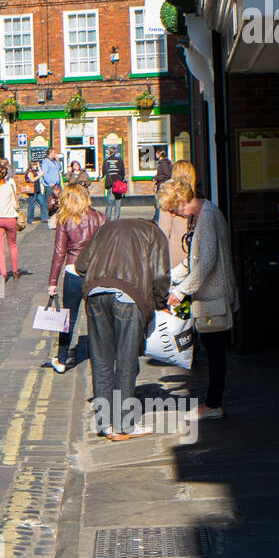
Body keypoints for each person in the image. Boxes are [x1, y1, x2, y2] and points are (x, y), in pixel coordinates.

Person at [75, 217, 170, 440]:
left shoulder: (105, 229)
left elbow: (81, 265)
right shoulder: (154, 233)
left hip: (96, 292)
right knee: (126, 359)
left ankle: (104, 423)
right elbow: (159, 275)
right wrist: (160, 303)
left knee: (101, 359)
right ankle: (125, 424)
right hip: (129, 296)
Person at [158, 179, 239, 421]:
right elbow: (194, 260)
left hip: (214, 297)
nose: (175, 215)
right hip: (208, 297)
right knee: (213, 350)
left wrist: (180, 291)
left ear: (181, 202)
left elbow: (207, 262)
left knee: (215, 353)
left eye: (174, 210)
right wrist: (171, 277)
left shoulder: (208, 216)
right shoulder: (202, 215)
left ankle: (213, 404)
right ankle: (212, 402)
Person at [47, 184, 104, 373]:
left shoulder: (65, 220)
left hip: (73, 272)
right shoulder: (100, 217)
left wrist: (52, 282)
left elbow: (58, 253)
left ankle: (62, 360)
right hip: (95, 274)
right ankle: (101, 358)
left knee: (68, 319)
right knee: (96, 318)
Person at [157, 159, 197, 268]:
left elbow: (163, 231)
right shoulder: (197, 198)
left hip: (174, 258)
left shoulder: (169, 199)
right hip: (194, 256)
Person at [100, 147, 127, 221]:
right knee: (118, 203)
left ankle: (108, 221)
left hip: (110, 184)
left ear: (109, 152)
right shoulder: (119, 160)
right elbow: (123, 172)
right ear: (115, 152)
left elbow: (103, 173)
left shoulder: (106, 161)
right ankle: (116, 220)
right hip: (118, 184)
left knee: (109, 204)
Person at [152, 149, 173, 224]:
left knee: (158, 203)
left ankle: (157, 220)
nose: (155, 155)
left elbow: (167, 175)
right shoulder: (164, 163)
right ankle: (157, 219)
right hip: (160, 184)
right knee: (157, 202)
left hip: (162, 185)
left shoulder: (163, 163)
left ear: (159, 154)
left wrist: (156, 178)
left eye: (156, 153)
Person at [40, 148, 61, 219]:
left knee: (57, 200)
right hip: (50, 185)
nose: (55, 154)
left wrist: (58, 162)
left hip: (57, 184)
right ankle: (45, 216)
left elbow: (60, 168)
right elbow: (44, 173)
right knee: (48, 200)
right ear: (50, 153)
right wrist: (49, 182)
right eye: (54, 153)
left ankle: (55, 214)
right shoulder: (46, 162)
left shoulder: (54, 161)